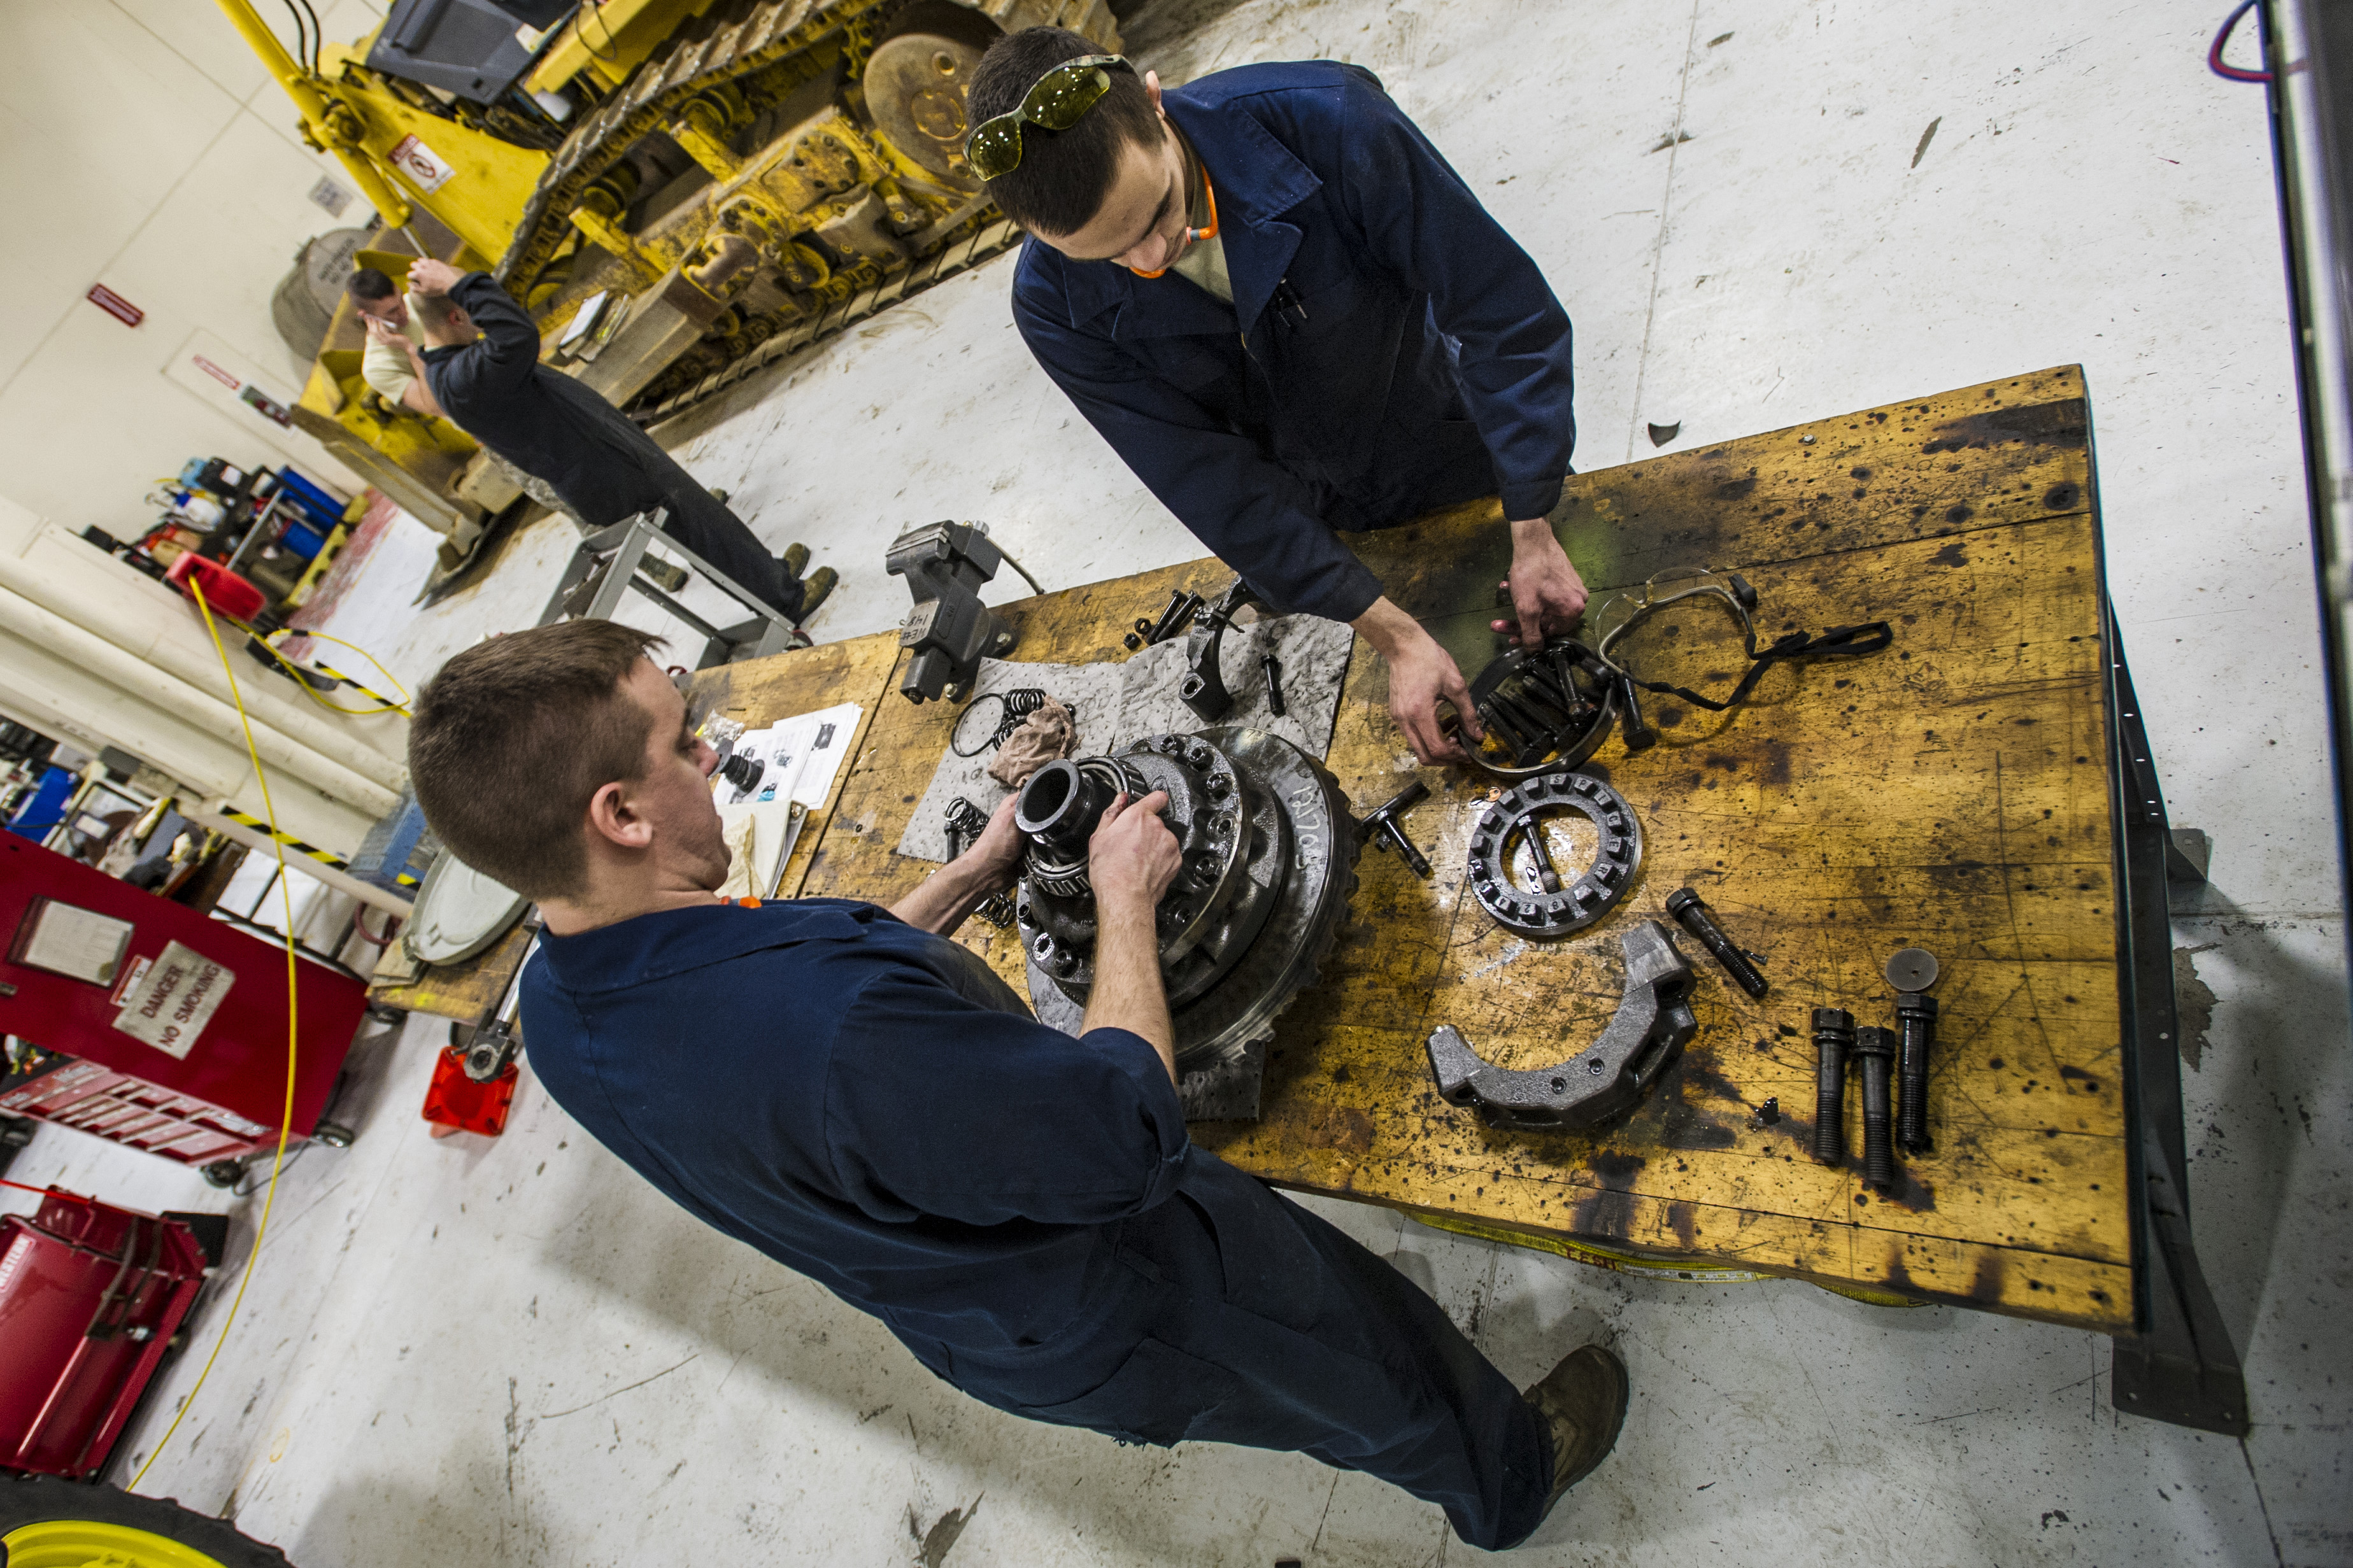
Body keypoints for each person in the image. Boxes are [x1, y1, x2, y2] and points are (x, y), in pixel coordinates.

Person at [405, 619, 1630, 1552]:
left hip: (979, 1306)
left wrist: (983, 862)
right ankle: (1510, 1476)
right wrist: (1124, 901)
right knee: (1372, 1365)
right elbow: (1124, 1131)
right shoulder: (838, 1041)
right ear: (618, 812)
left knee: (1335, 1360)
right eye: (683, 744)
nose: (714, 754)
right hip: (1132, 1281)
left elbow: (822, 971)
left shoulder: (561, 1001)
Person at [969, 32, 1588, 765]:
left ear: (1156, 104)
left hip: (1445, 442)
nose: (1150, 259)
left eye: (1160, 213)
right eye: (1109, 257)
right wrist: (1389, 632)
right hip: (1312, 518)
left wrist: (1532, 518)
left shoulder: (1330, 122)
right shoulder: (1048, 302)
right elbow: (1212, 483)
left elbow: (1499, 313)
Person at [402, 258, 835, 623]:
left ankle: (771, 576)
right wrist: (462, 283)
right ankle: (784, 601)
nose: (480, 319)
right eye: (471, 310)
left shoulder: (451, 365)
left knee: (702, 515)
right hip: (600, 467)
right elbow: (516, 335)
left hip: (599, 452)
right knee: (698, 528)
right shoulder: (463, 378)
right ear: (457, 316)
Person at [346, 267, 444, 422]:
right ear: (366, 316)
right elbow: (436, 407)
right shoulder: (377, 368)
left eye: (400, 300)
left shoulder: (419, 301)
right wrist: (410, 350)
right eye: (392, 311)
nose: (403, 311)